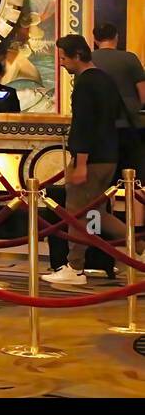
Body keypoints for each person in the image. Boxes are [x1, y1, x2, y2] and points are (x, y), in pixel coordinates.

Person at [44, 35, 141, 286]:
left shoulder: (86, 83)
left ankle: (75, 268)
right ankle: (138, 247)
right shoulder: (106, 80)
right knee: (96, 211)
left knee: (76, 213)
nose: (62, 63)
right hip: (109, 155)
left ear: (77, 55)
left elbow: (85, 126)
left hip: (92, 158)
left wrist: (81, 164)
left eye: (64, 58)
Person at [90, 22, 145, 177]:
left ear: (95, 40)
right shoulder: (129, 59)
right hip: (128, 125)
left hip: (98, 128)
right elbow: (143, 93)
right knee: (133, 176)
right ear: (116, 37)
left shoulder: (89, 61)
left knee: (104, 178)